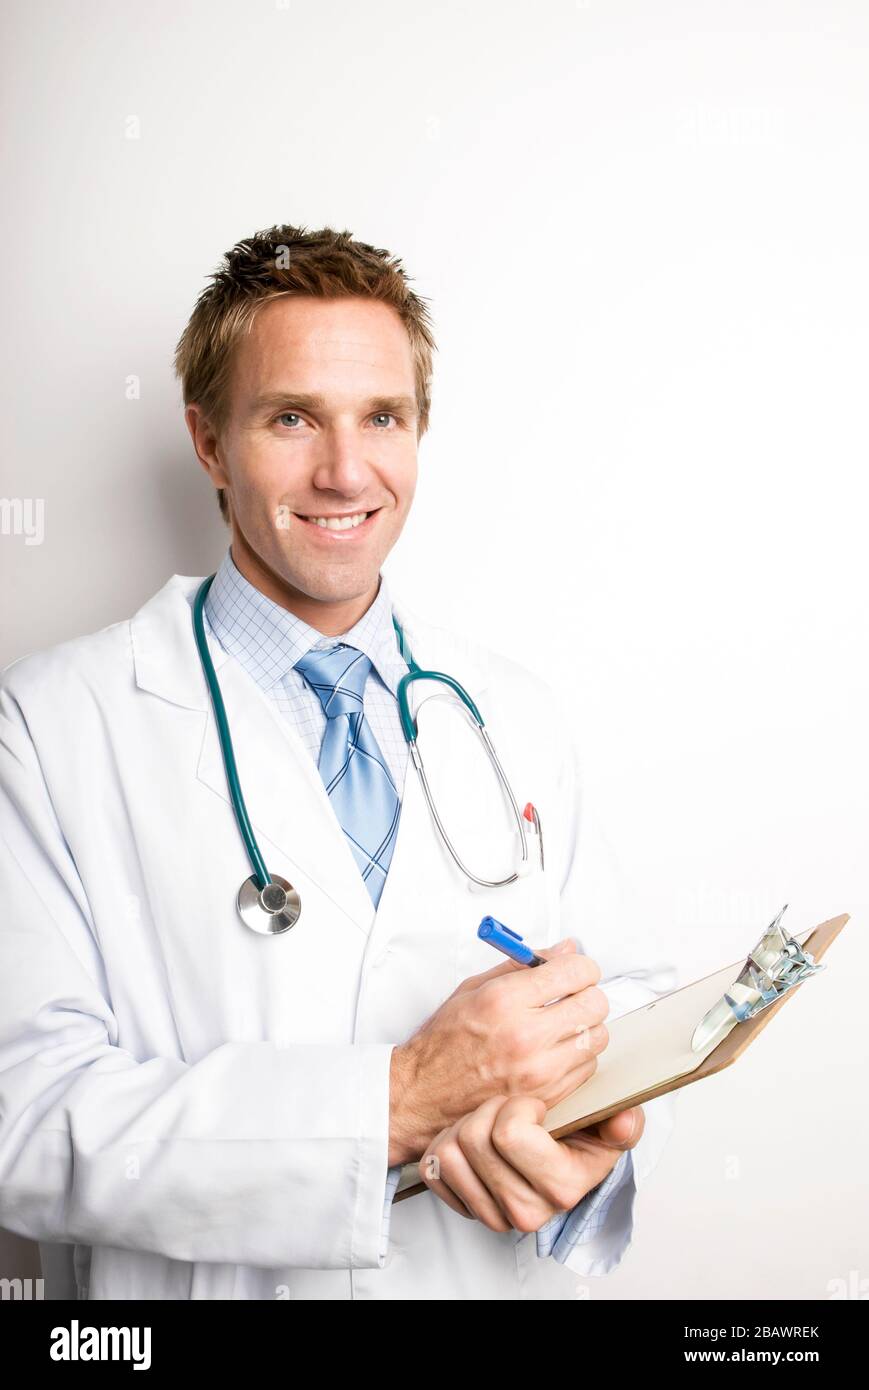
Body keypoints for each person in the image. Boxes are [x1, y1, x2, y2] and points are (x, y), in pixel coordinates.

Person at [0, 224, 674, 1300]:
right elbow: (25, 1122)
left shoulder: (514, 714)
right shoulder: (49, 727)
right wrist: (397, 1097)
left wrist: (584, 1148)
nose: (344, 470)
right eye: (290, 417)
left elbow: (620, 1012)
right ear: (210, 444)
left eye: (382, 418)